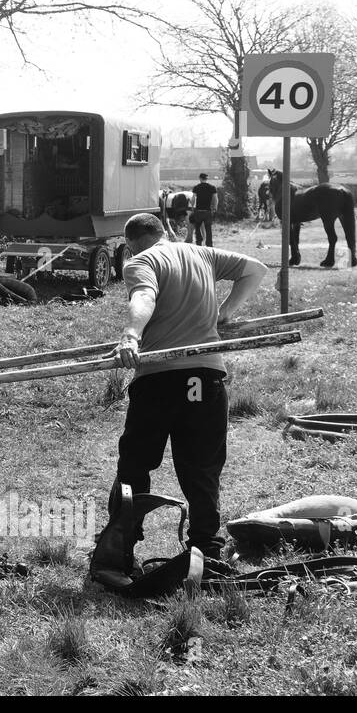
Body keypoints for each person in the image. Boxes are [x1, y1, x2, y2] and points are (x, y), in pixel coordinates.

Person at [109, 212, 268, 558]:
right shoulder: (202, 254)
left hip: (158, 378)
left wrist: (131, 335)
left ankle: (120, 548)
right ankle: (206, 551)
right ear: (164, 232)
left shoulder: (141, 262)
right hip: (207, 379)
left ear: (131, 244)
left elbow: (144, 297)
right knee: (202, 469)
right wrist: (224, 312)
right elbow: (256, 269)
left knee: (135, 465)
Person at [190, 173, 219, 246]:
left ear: (200, 178)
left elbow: (193, 198)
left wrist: (192, 207)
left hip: (198, 211)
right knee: (208, 229)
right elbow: (215, 199)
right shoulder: (212, 187)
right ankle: (209, 244)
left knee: (197, 228)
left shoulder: (196, 187)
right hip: (208, 212)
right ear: (207, 179)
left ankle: (199, 243)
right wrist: (215, 208)